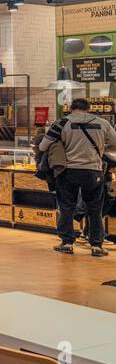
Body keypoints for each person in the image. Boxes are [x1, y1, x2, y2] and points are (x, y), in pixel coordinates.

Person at [39, 97, 116, 256]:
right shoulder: (103, 123)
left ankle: (67, 243)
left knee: (66, 208)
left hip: (68, 171)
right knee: (95, 209)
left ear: (72, 108)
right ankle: (96, 246)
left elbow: (42, 146)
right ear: (89, 109)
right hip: (93, 171)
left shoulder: (61, 123)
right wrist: (101, 146)